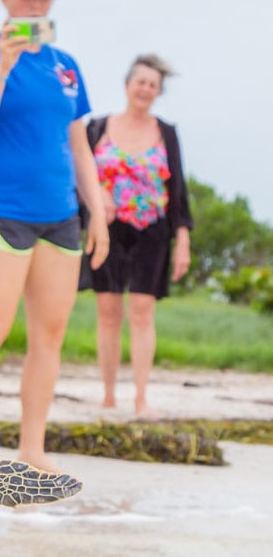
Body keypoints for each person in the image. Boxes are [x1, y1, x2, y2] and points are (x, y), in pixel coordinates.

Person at [0, 0, 109, 470]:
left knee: (49, 335)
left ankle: (32, 449)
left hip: (61, 213)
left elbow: (80, 144)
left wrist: (99, 211)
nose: (34, 2)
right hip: (3, 208)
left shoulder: (66, 66)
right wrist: (3, 67)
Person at [84, 54, 192, 417]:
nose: (145, 88)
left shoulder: (166, 132)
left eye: (152, 84)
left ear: (157, 92)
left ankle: (142, 397)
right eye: (140, 82)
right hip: (106, 230)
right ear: (128, 84)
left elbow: (178, 189)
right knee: (108, 311)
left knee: (143, 311)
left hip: (153, 230)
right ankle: (109, 394)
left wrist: (183, 241)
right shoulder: (97, 128)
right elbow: (77, 173)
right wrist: (97, 195)